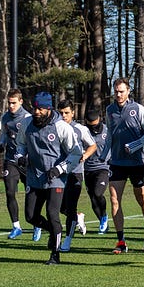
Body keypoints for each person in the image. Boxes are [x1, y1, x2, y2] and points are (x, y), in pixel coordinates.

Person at [16, 91, 82, 265]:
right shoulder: (26, 124)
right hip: (34, 177)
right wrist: (20, 156)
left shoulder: (61, 127)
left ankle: (55, 254)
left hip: (55, 179)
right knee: (30, 216)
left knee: (53, 214)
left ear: (48, 108)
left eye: (41, 109)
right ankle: (54, 232)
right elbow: (20, 144)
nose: (37, 112)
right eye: (35, 108)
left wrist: (59, 169)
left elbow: (75, 153)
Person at [105, 77, 144, 254]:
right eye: (116, 91)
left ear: (128, 91)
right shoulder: (109, 110)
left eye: (122, 91)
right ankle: (121, 241)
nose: (118, 94)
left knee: (142, 199)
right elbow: (109, 134)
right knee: (114, 199)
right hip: (117, 162)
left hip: (137, 162)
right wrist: (104, 157)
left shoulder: (138, 109)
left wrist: (134, 146)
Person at [56, 100, 101, 253]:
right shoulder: (54, 127)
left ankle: (67, 241)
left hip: (75, 173)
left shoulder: (80, 129)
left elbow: (92, 145)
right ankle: (78, 217)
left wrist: (84, 156)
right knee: (59, 208)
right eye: (61, 113)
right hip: (57, 173)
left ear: (73, 113)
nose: (63, 116)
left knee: (70, 205)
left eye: (66, 113)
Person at [0, 89, 32, 239]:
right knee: (10, 192)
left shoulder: (28, 118)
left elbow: (33, 139)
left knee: (31, 195)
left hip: (27, 162)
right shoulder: (5, 118)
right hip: (10, 160)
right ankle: (16, 226)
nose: (11, 106)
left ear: (21, 102)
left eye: (14, 103)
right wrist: (1, 143)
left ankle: (36, 224)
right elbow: (4, 134)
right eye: (9, 103)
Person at [81, 104, 112, 235]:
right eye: (90, 124)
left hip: (103, 167)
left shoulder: (106, 130)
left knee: (98, 193)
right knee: (93, 198)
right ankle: (102, 222)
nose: (94, 127)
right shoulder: (83, 131)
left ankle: (104, 216)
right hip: (88, 168)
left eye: (95, 123)